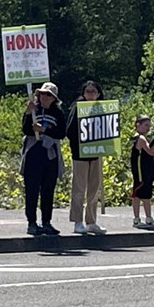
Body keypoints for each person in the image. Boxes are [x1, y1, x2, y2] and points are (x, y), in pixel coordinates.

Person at [20, 82, 66, 235]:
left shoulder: (58, 113)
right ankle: (31, 222)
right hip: (34, 152)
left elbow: (61, 133)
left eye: (48, 95)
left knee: (48, 190)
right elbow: (26, 130)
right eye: (42, 94)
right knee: (32, 189)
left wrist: (45, 129)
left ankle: (46, 221)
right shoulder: (33, 109)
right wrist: (27, 114)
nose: (44, 97)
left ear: (54, 98)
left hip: (50, 154)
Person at [66, 80, 106, 234]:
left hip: (96, 153)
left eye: (94, 92)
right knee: (79, 188)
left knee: (94, 189)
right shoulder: (77, 108)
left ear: (98, 94)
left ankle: (91, 221)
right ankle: (77, 221)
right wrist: (81, 145)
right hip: (80, 155)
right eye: (88, 91)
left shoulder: (101, 109)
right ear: (83, 93)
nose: (91, 94)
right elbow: (69, 131)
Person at [130, 114, 154, 227]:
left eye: (149, 125)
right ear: (138, 125)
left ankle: (139, 218)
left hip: (142, 169)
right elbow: (151, 152)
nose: (148, 128)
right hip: (141, 170)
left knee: (139, 194)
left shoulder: (138, 137)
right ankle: (147, 218)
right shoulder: (140, 138)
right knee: (143, 194)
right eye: (145, 125)